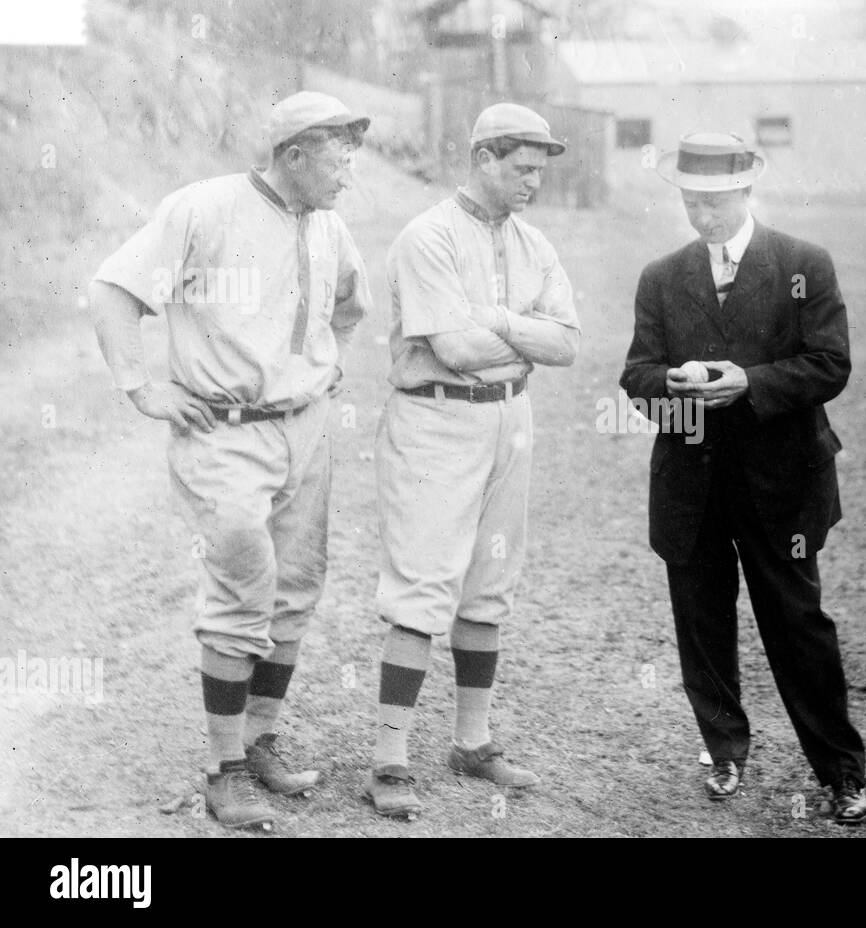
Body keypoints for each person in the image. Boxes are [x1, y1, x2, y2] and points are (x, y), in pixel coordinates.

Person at [90, 91, 372, 829]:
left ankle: (260, 739)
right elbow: (113, 290)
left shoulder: (331, 227)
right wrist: (140, 386)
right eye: (338, 154)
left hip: (304, 427)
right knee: (243, 586)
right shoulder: (203, 209)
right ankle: (225, 770)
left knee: (297, 588)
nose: (348, 170)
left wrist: (322, 360)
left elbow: (346, 305)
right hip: (225, 429)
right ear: (293, 154)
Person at [620, 132, 866, 825]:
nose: (703, 217)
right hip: (690, 483)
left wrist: (749, 384)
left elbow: (831, 364)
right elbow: (636, 374)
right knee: (701, 623)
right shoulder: (662, 276)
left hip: (781, 483)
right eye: (692, 204)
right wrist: (668, 384)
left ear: (746, 192)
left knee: (797, 625)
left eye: (716, 203)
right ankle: (724, 748)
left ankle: (841, 771)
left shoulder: (802, 264)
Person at [365, 103, 580, 818]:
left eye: (539, 172)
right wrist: (528, 336)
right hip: (436, 416)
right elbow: (452, 351)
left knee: (491, 584)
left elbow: (568, 343)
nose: (532, 184)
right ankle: (390, 758)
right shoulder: (426, 237)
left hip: (510, 418)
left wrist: (501, 324)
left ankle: (472, 741)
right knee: (424, 587)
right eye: (521, 169)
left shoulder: (534, 244)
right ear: (483, 158)